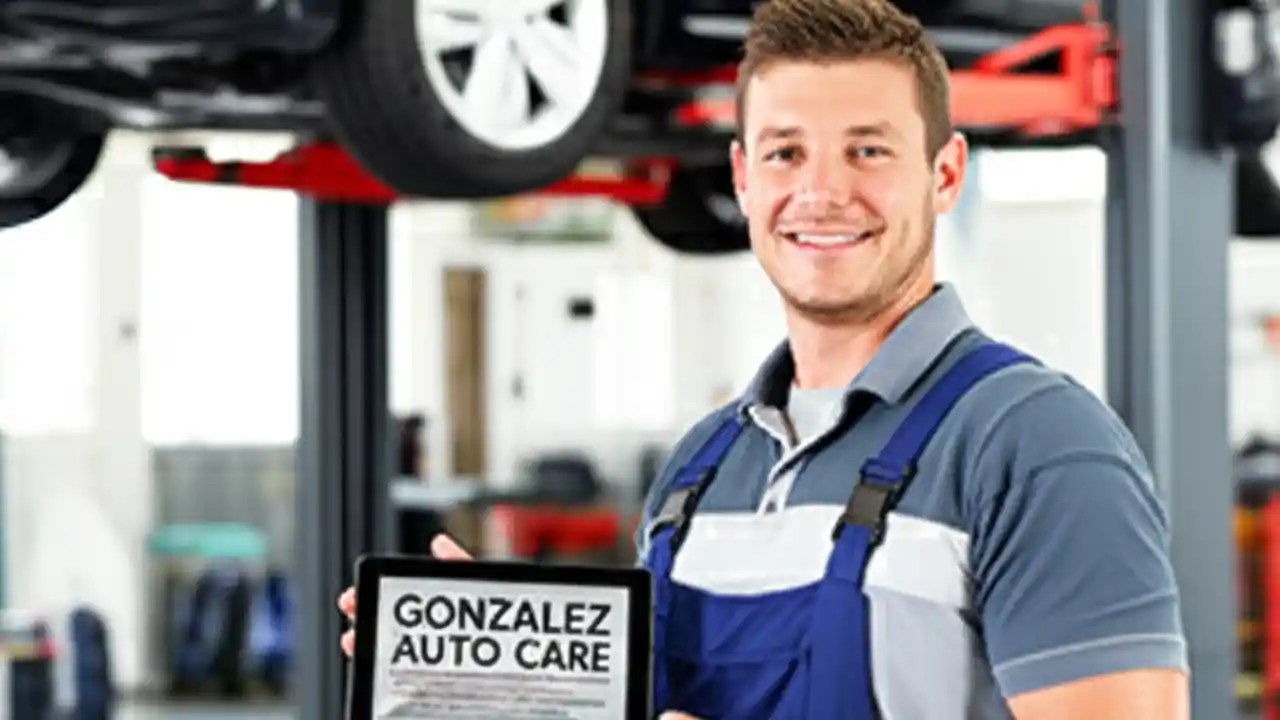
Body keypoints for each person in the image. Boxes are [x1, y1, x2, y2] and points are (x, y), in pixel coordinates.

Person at [340, 0, 1191, 716]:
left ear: (944, 173)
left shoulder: (1034, 445)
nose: (821, 192)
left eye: (868, 149)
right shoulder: (702, 469)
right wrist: (505, 668)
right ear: (744, 179)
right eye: (787, 152)